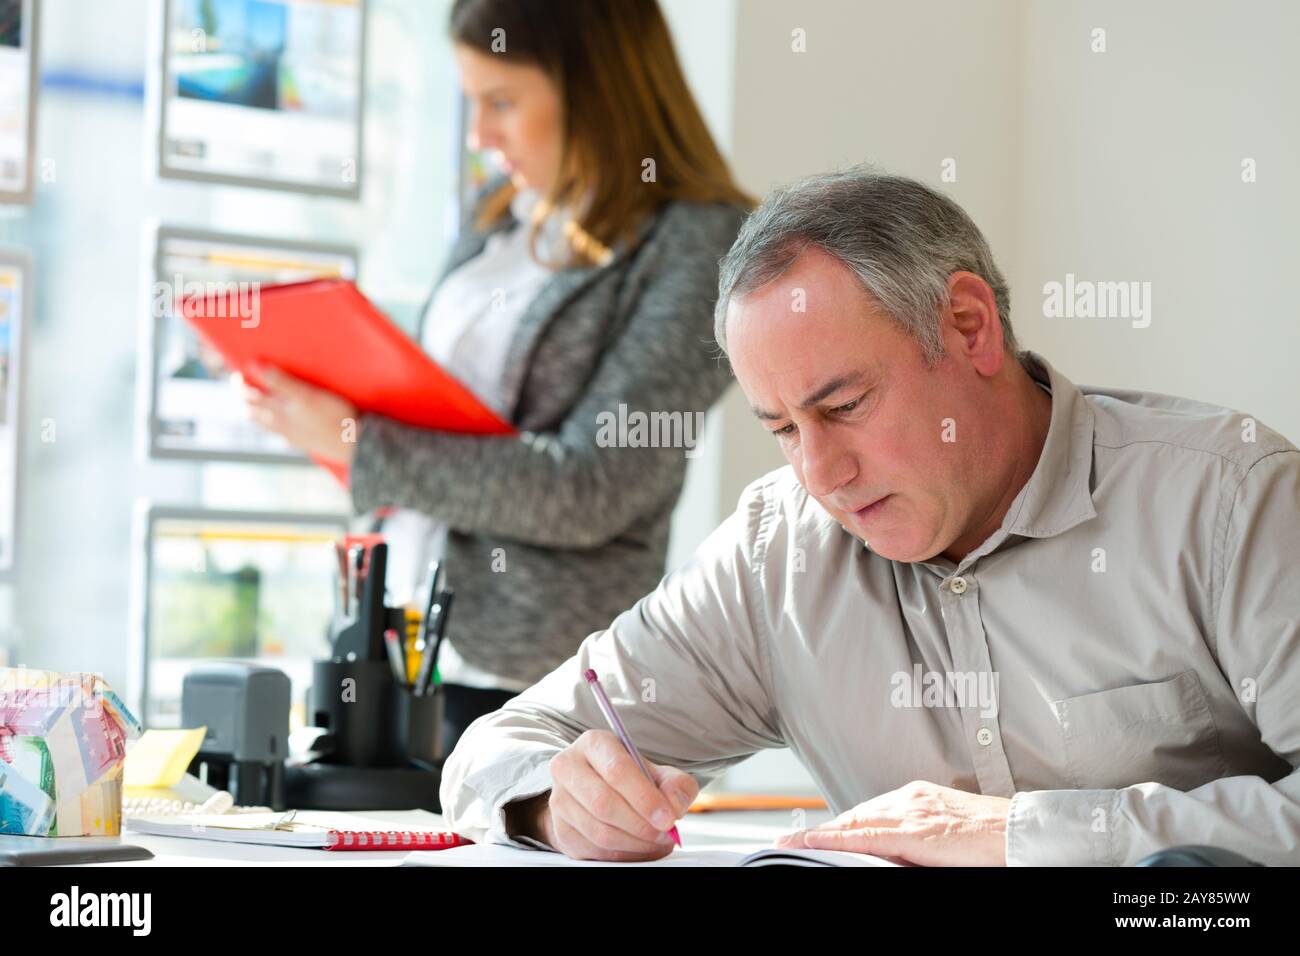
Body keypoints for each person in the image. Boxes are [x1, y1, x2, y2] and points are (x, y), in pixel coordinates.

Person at [437, 167, 1300, 866]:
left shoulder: (1232, 501)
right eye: (781, 429)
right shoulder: (775, 556)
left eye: (844, 406)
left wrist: (1019, 836)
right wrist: (560, 800)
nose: (821, 474)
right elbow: (499, 744)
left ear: (968, 327)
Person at [244, 0, 752, 756]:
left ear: (597, 87)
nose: (480, 137)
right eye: (472, 103)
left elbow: (592, 485)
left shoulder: (700, 243)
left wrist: (364, 448)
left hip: (531, 685)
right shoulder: (501, 212)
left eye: (503, 103)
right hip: (395, 648)